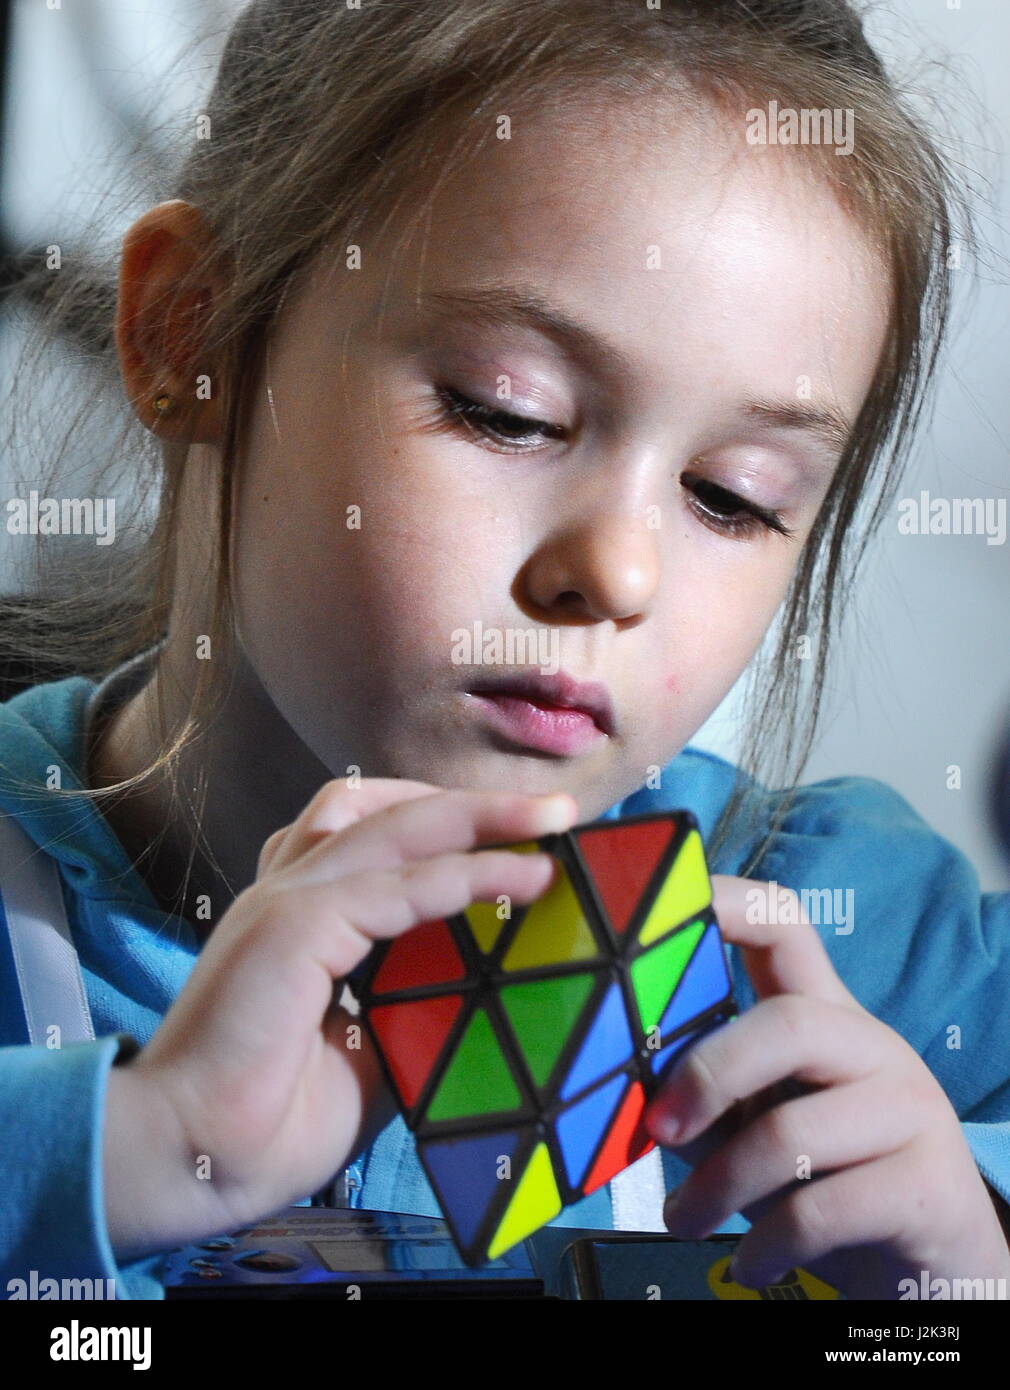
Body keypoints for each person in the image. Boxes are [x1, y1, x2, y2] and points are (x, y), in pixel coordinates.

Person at [1, 0, 1008, 1302]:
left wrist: (967, 1260)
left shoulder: (860, 928)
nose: (619, 569)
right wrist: (130, 1149)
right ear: (189, 330)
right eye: (506, 412)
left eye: (733, 495)